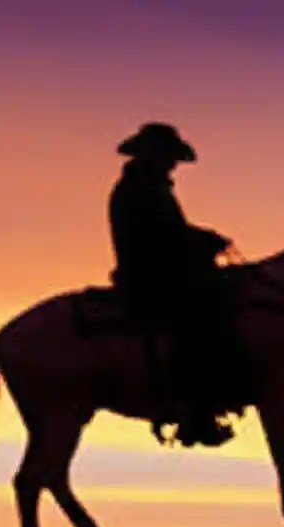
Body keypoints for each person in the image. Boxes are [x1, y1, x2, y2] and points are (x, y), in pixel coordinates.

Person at [108, 122, 237, 448]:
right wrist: (202, 240)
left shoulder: (147, 187)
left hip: (156, 272)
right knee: (202, 320)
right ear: (152, 156)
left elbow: (170, 232)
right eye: (168, 157)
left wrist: (199, 238)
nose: (172, 165)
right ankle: (196, 413)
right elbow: (160, 237)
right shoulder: (139, 191)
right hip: (150, 278)